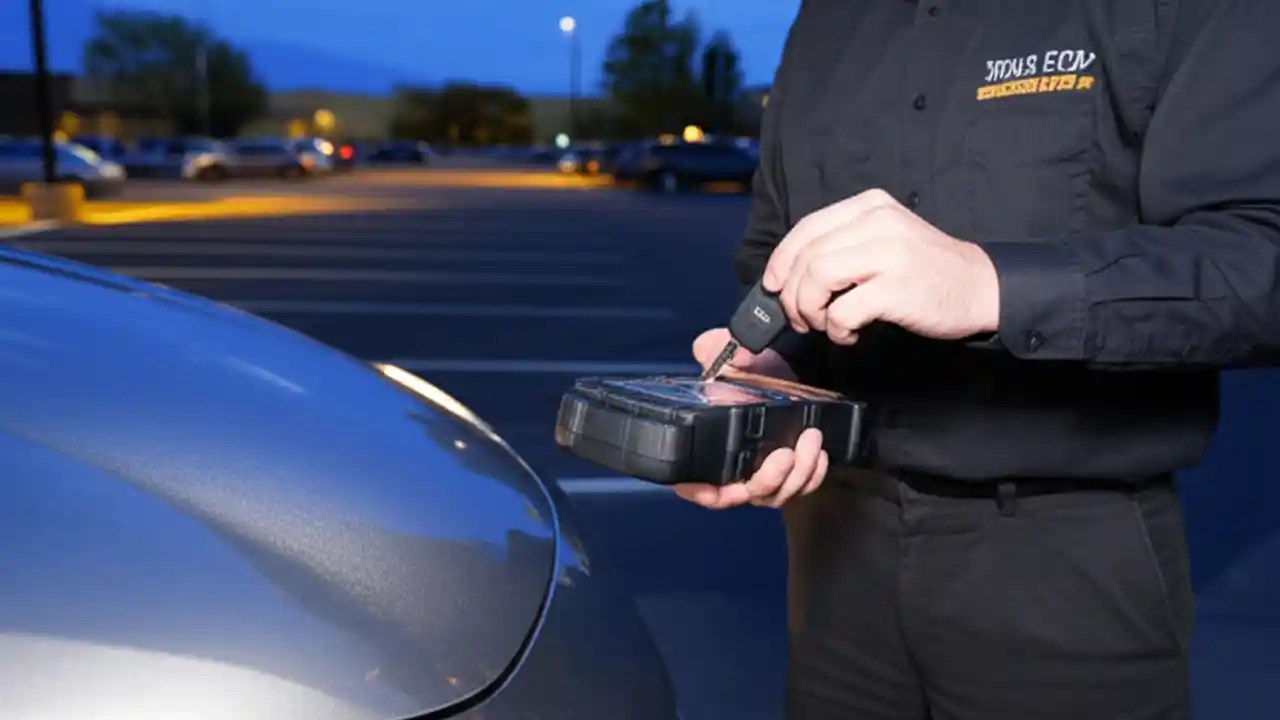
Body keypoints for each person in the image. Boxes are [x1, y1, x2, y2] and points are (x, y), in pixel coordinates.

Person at [676, 1, 1280, 718]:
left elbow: (1259, 259)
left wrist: (985, 283)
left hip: (1063, 571)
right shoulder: (826, 18)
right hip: (833, 552)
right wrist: (771, 379)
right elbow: (773, 254)